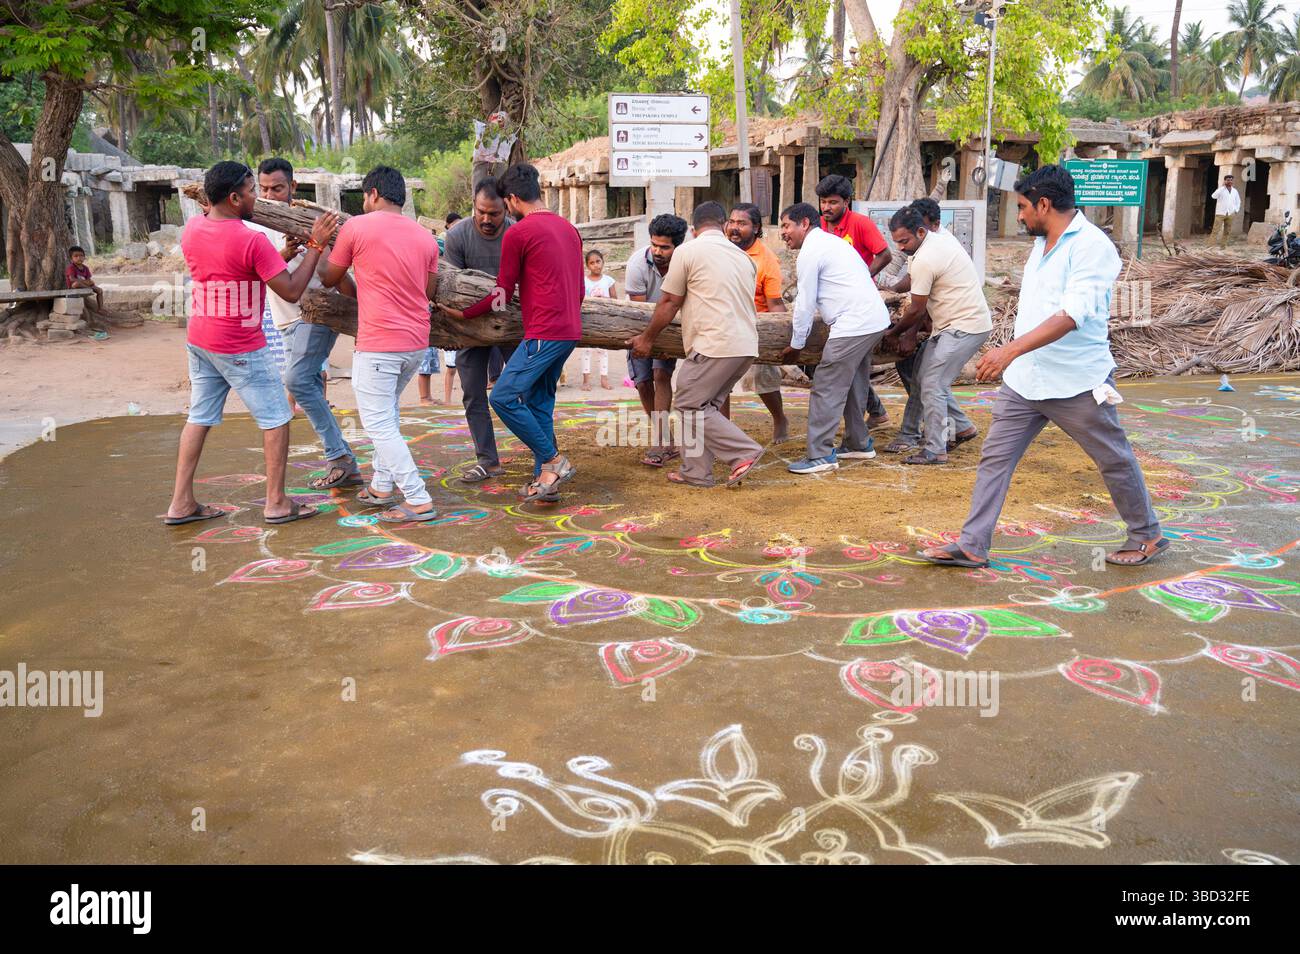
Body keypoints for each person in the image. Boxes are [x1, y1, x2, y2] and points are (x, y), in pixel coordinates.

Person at [919, 165, 1167, 569]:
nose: (1019, 215)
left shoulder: (1092, 247)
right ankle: (972, 545)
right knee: (995, 460)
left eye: (1022, 207)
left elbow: (1072, 315)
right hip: (1025, 382)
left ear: (1044, 204)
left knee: (1114, 458)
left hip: (1077, 381)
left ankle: (1147, 534)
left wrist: (1008, 351)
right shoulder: (1042, 242)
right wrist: (1015, 356)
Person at [165, 160, 337, 526]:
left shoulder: (193, 229)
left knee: (199, 417)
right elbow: (290, 289)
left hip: (200, 339)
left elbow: (242, 269)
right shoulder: (250, 238)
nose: (257, 197)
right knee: (277, 419)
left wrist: (287, 254)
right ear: (233, 197)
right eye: (251, 192)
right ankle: (276, 502)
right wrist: (317, 246)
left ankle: (180, 503)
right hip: (238, 343)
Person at [439, 162, 583, 503]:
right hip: (569, 331)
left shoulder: (518, 233)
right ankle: (545, 481)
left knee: (502, 397)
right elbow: (578, 290)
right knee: (538, 402)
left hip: (543, 333)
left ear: (513, 199)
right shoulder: (568, 228)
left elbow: (500, 293)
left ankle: (553, 460)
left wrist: (463, 313)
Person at [321, 165, 441, 524]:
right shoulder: (425, 237)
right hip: (416, 342)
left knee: (379, 424)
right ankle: (382, 485)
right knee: (386, 414)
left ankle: (417, 498)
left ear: (372, 194)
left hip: (379, 343)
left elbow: (329, 278)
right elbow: (429, 291)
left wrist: (319, 243)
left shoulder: (356, 227)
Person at [626, 202, 763, 488]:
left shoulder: (687, 251)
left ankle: (743, 452)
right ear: (725, 226)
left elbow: (668, 301)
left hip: (714, 344)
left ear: (692, 229)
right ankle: (696, 472)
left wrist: (647, 339)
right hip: (746, 344)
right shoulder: (744, 258)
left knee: (689, 405)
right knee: (705, 404)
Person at [249, 157, 362, 490]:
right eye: (264, 189)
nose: (269, 195)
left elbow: (333, 277)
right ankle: (341, 460)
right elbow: (263, 274)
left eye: (277, 188)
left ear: (292, 188)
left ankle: (340, 458)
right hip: (285, 320)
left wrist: (317, 246)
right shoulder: (256, 227)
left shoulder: (310, 222)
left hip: (315, 314)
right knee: (303, 383)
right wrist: (284, 255)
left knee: (297, 379)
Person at [778, 202, 890, 474]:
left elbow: (805, 303)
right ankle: (858, 443)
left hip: (854, 324)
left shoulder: (812, 251)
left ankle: (819, 454)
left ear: (804, 223)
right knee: (853, 383)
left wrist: (796, 345)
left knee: (826, 385)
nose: (783, 233)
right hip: (872, 320)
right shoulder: (832, 243)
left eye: (786, 226)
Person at [886, 206, 991, 465]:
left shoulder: (925, 257)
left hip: (964, 326)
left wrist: (894, 333)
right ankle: (963, 427)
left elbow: (916, 309)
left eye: (904, 241)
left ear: (920, 231)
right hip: (952, 325)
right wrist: (886, 288)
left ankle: (935, 449)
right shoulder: (931, 243)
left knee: (933, 384)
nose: (900, 247)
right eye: (896, 242)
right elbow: (911, 283)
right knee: (922, 377)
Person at [442, 178, 515, 482]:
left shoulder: (517, 233)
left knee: (529, 389)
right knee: (473, 394)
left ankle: (545, 454)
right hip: (469, 326)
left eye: (494, 213)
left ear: (506, 208)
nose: (486, 219)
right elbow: (452, 285)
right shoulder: (457, 236)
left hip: (513, 323)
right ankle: (488, 460)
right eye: (481, 211)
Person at [815, 173, 892, 427]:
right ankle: (876, 413)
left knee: (854, 366)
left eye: (833, 202)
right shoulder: (821, 225)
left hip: (860, 307)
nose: (827, 207)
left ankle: (861, 428)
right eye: (823, 201)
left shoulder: (860, 223)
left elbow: (885, 254)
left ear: (847, 202)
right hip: (834, 304)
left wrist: (862, 275)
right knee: (848, 367)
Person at [625, 214, 688, 467]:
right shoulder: (636, 264)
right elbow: (639, 311)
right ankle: (666, 439)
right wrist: (648, 339)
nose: (658, 251)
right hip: (641, 326)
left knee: (661, 376)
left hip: (671, 326)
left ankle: (661, 442)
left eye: (665, 246)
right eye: (654, 244)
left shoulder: (686, 263)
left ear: (677, 246)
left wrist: (662, 340)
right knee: (642, 383)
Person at [883, 197, 943, 454]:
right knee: (915, 371)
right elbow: (911, 279)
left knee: (924, 376)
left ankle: (911, 432)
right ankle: (958, 425)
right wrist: (892, 290)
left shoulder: (934, 249)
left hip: (944, 322)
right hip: (933, 318)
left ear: (929, 227)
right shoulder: (919, 248)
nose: (902, 246)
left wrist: (904, 334)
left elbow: (920, 303)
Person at [726, 203, 790, 443]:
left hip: (756, 326)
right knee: (721, 381)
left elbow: (774, 302)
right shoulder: (720, 249)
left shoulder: (766, 259)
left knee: (763, 378)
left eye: (741, 224)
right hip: (723, 324)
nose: (734, 228)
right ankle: (725, 429)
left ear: (756, 228)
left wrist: (784, 334)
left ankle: (779, 418)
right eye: (731, 222)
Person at [581, 248, 616, 391]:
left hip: (603, 322)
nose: (596, 265)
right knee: (586, 351)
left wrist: (605, 300)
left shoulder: (609, 281)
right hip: (588, 321)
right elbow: (581, 299)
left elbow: (615, 300)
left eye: (598, 261)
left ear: (603, 262)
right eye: (592, 263)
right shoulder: (584, 281)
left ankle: (604, 379)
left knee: (603, 351)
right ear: (587, 266)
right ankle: (585, 381)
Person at [64, 246, 103, 312]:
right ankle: (89, 289)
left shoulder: (86, 268)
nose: (79, 258)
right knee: (76, 283)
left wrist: (89, 283)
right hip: (74, 287)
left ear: (84, 257)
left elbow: (89, 280)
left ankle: (100, 309)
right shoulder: (71, 267)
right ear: (71, 259)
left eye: (81, 255)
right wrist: (86, 283)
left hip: (85, 285)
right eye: (76, 256)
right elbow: (72, 279)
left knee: (99, 290)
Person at [1209, 174, 1241, 249]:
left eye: (1231, 180)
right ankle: (1210, 247)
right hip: (1220, 213)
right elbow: (1213, 196)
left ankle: (1223, 247)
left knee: (1227, 231)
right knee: (1215, 230)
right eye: (1228, 180)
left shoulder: (1235, 191)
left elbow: (1238, 201)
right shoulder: (1221, 190)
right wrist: (1222, 187)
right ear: (1225, 181)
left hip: (1230, 214)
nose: (1230, 181)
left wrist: (1236, 210)